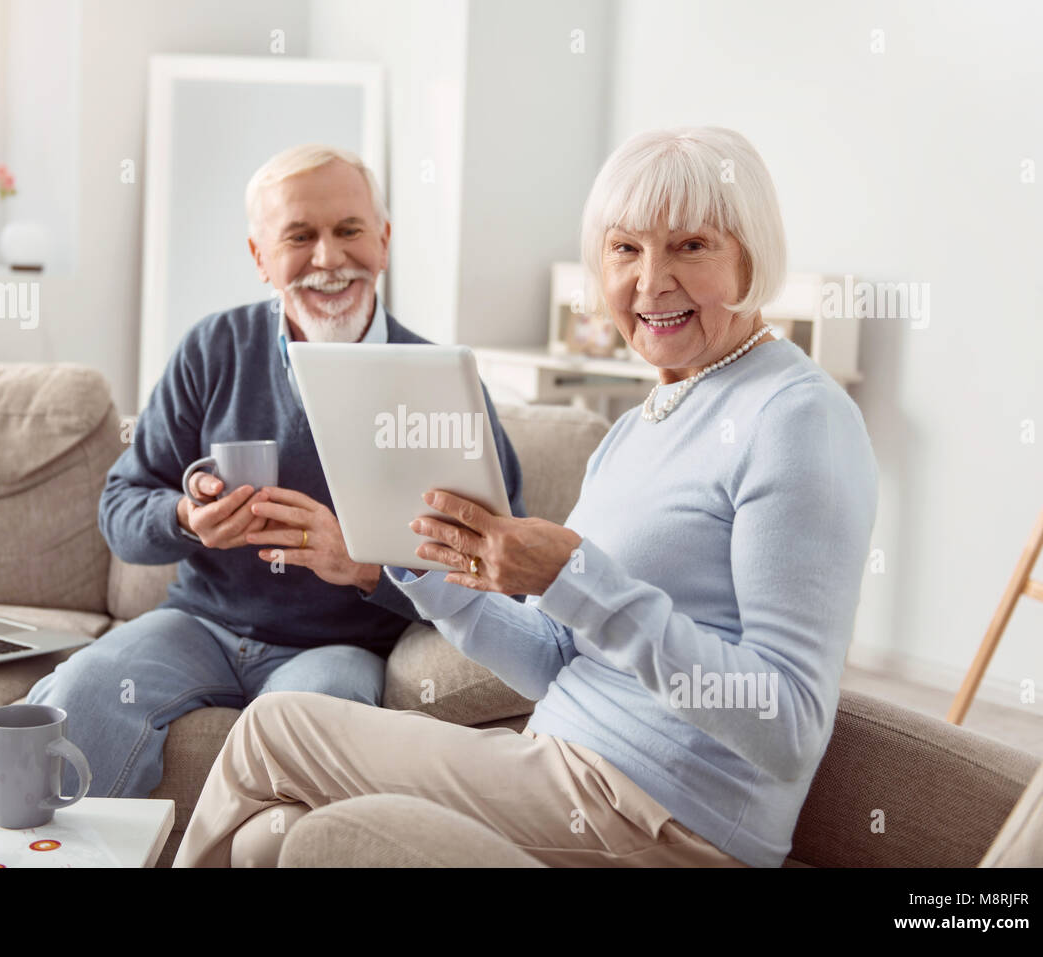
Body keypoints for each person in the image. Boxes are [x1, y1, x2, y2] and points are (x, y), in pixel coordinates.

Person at [172, 126, 880, 868]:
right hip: (566, 763)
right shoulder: (638, 428)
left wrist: (575, 576)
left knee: (272, 729)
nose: (649, 283)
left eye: (691, 246)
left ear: (750, 254)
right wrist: (437, 574)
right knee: (263, 841)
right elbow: (554, 659)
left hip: (662, 812)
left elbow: (788, 724)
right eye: (625, 249)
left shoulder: (796, 417)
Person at [27, 143, 525, 799]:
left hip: (337, 648)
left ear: (383, 240)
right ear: (261, 258)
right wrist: (184, 518)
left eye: (349, 230)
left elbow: (500, 573)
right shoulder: (214, 349)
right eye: (300, 236)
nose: (328, 258)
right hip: (198, 626)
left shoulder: (437, 382)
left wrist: (368, 568)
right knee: (79, 695)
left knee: (308, 730)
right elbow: (122, 509)